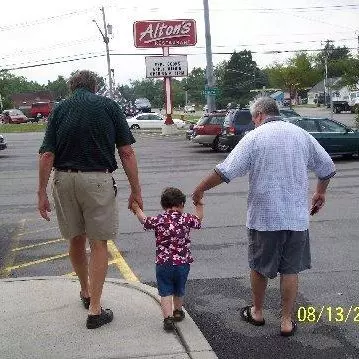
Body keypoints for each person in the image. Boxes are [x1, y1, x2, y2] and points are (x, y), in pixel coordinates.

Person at [192, 97, 335, 337]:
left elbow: (225, 170)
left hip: (265, 218)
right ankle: (286, 321)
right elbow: (326, 166)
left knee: (259, 267)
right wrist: (320, 192)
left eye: (253, 119)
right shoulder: (301, 135)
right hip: (297, 219)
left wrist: (200, 189)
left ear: (258, 115)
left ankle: (257, 312)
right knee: (290, 270)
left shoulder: (255, 137)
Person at [37, 70, 142, 329]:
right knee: (98, 244)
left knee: (75, 238)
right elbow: (126, 152)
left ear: (72, 87)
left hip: (63, 179)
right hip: (97, 180)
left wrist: (41, 192)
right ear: (95, 87)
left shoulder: (60, 110)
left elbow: (47, 155)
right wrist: (136, 190)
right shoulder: (109, 106)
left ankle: (85, 291)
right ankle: (95, 309)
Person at [131, 187, 203, 332]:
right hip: (182, 263)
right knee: (179, 289)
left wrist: (136, 208)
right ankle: (177, 311)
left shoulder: (159, 219)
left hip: (164, 263)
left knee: (165, 291)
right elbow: (199, 218)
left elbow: (144, 221)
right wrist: (199, 203)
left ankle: (168, 318)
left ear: (163, 205)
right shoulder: (186, 218)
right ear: (182, 204)